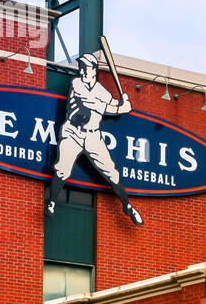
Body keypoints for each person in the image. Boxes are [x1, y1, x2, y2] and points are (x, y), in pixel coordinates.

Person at [47, 52, 143, 225]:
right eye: (81, 67)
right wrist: (121, 108)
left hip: (93, 135)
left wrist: (124, 104)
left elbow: (112, 103)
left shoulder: (100, 90)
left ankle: (127, 206)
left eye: (87, 67)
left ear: (94, 70)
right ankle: (52, 202)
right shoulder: (76, 84)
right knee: (62, 169)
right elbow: (97, 105)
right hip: (73, 133)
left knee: (112, 173)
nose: (83, 71)